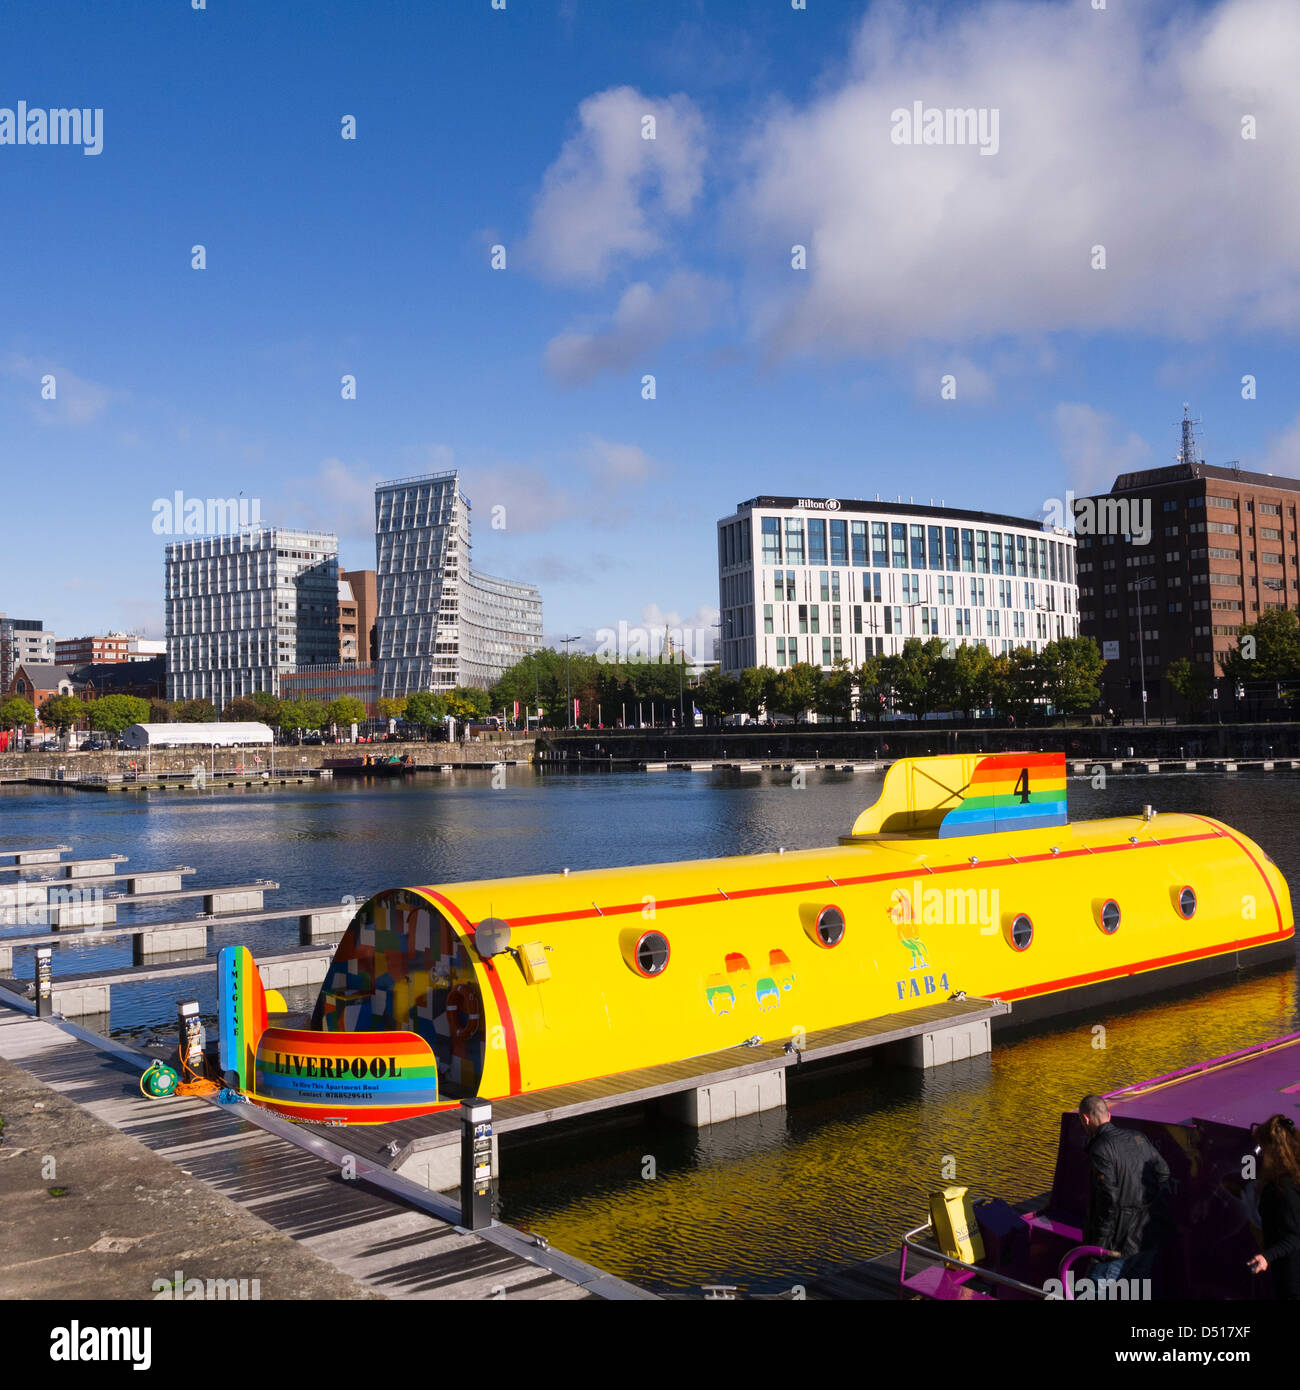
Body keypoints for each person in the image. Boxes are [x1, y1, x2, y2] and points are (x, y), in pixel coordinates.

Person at [1078, 1094, 1172, 1288]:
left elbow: (1108, 1200)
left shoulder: (1100, 1148)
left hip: (1116, 1245)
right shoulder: (1138, 1137)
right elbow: (1164, 1172)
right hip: (1147, 1237)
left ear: (1085, 1119)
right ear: (1109, 1116)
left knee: (1092, 1291)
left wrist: (1099, 1247)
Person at [1246, 1113, 1300, 1299]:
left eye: (1262, 1147)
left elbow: (1295, 1235)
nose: (1259, 1154)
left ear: (1272, 1149)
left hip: (1292, 1277)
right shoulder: (1292, 1177)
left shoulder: (1284, 1186)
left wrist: (1268, 1256)